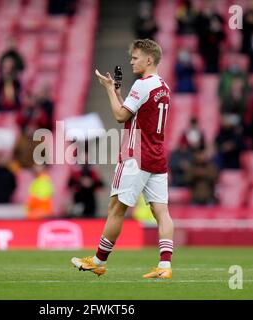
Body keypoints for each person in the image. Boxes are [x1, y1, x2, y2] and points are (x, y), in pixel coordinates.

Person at [71, 39, 174, 279]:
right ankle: (165, 266)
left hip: (136, 156)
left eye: (135, 57)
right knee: (162, 212)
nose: (131, 62)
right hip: (157, 155)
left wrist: (108, 88)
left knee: (116, 209)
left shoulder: (142, 85)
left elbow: (119, 116)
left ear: (149, 60)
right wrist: (119, 94)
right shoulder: (164, 86)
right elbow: (139, 114)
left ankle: (98, 261)